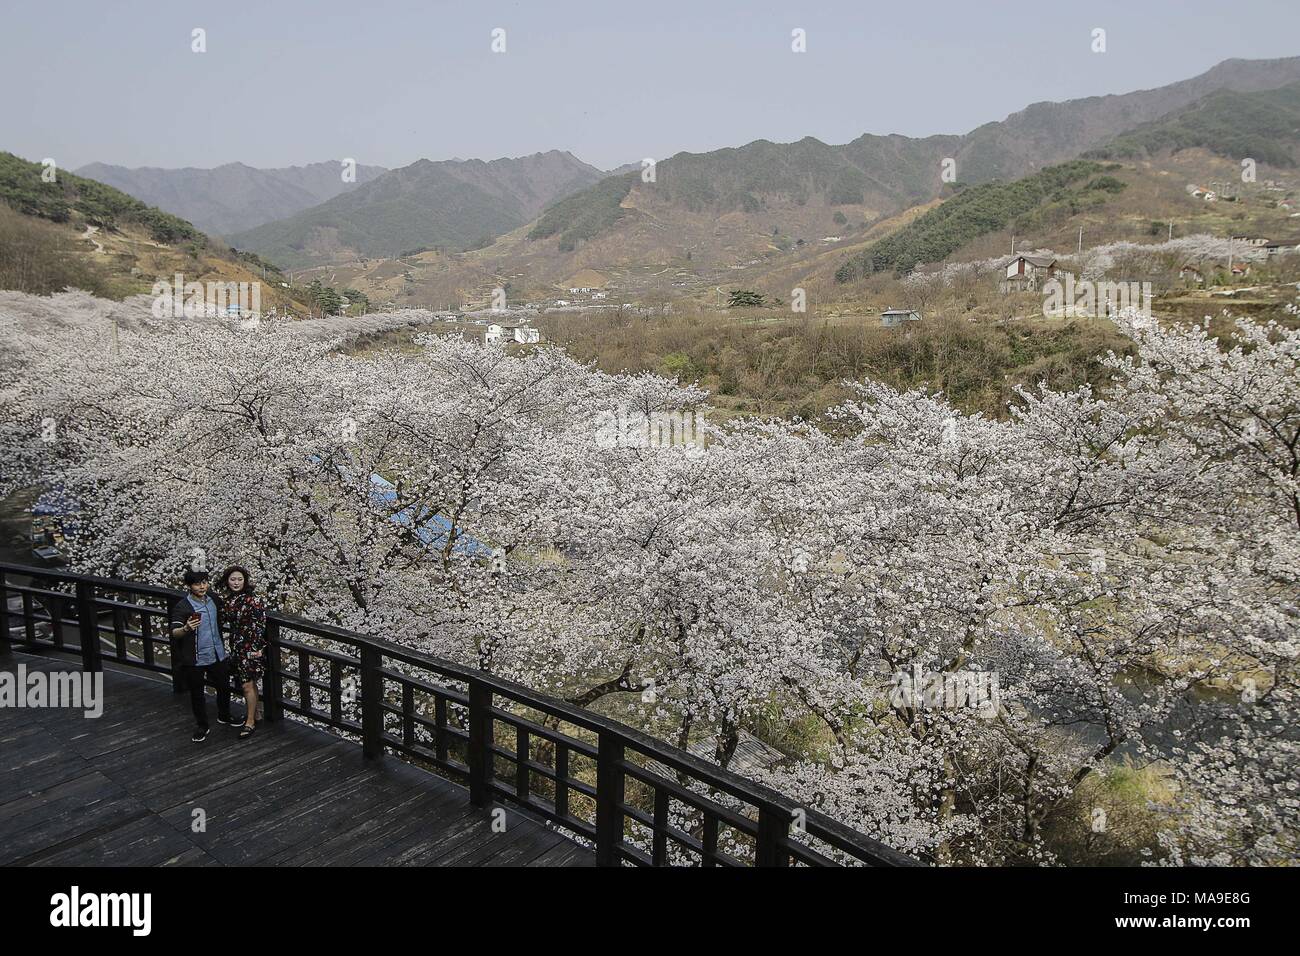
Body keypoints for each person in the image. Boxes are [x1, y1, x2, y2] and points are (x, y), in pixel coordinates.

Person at [169, 569, 237, 741]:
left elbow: (229, 609)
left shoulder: (213, 599)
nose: (202, 586)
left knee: (224, 686)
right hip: (195, 656)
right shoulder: (183, 606)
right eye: (197, 584)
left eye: (204, 582)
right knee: (197, 693)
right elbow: (174, 632)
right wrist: (186, 628)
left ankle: (224, 715)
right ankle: (202, 725)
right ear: (190, 586)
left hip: (217, 653)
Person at [219, 565, 267, 739]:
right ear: (227, 581)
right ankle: (256, 714)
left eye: (239, 579)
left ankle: (250, 722)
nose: (236, 582)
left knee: (246, 684)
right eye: (232, 579)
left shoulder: (253, 601)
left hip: (251, 648)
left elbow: (259, 626)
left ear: (245, 581)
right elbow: (222, 619)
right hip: (237, 647)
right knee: (248, 683)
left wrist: (256, 651)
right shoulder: (228, 601)